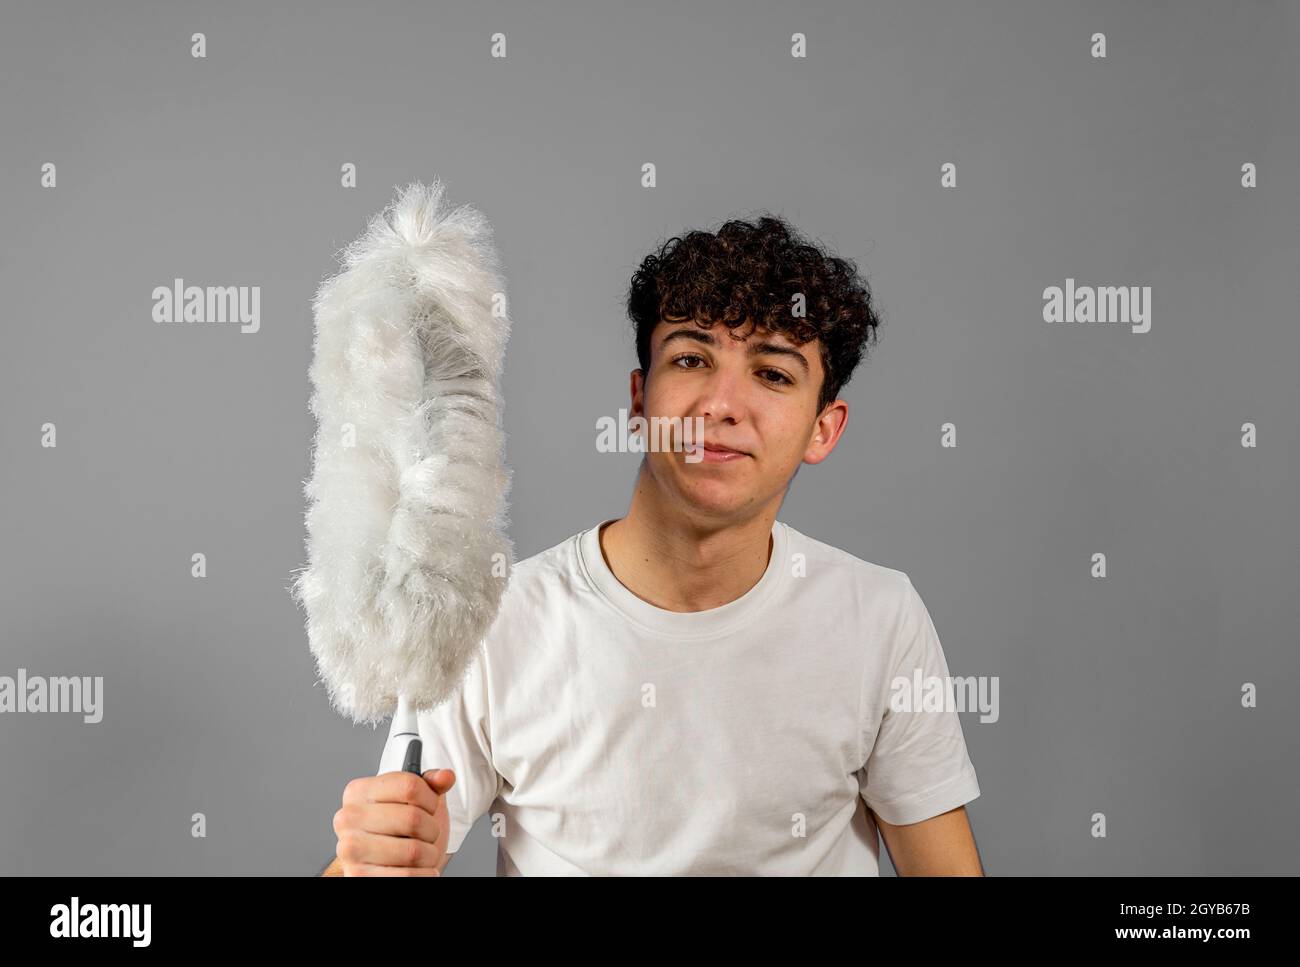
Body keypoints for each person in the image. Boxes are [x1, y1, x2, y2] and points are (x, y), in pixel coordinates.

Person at [323, 216, 984, 876]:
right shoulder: (488, 620)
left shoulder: (878, 617)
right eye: (691, 359)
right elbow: (383, 858)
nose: (722, 404)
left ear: (824, 428)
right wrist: (363, 863)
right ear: (640, 399)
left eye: (773, 374)